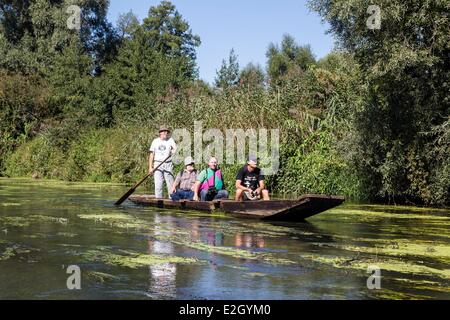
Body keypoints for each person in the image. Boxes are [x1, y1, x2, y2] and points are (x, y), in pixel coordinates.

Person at [149, 125, 177, 199]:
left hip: (168, 164)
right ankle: (158, 200)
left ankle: (172, 199)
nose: (165, 133)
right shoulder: (155, 141)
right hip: (157, 164)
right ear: (160, 133)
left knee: (170, 184)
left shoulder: (170, 140)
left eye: (166, 132)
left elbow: (175, 149)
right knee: (158, 185)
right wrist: (150, 167)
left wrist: (173, 151)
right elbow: (151, 154)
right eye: (164, 131)